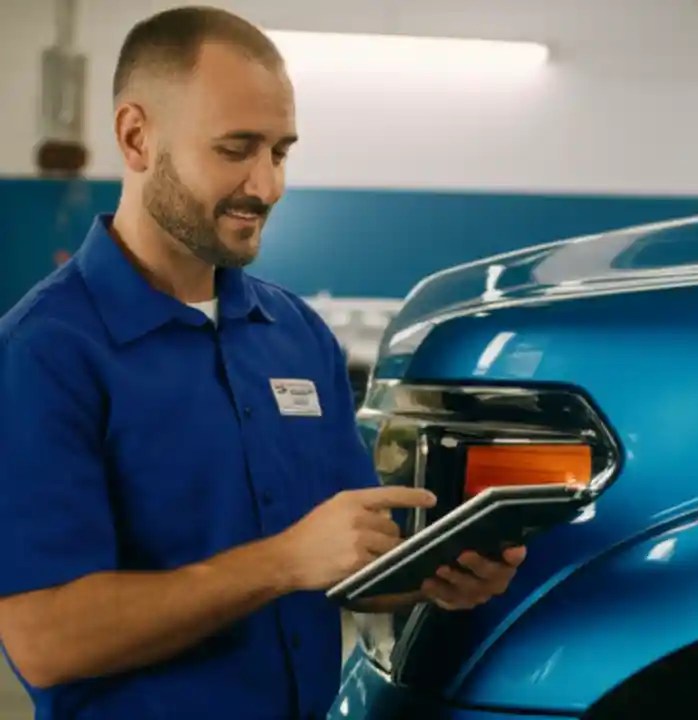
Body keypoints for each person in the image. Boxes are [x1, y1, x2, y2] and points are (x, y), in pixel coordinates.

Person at [0, 7, 526, 719]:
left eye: (280, 151)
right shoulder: (45, 353)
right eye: (235, 148)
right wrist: (282, 561)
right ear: (136, 137)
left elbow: (347, 563)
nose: (268, 185)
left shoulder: (296, 334)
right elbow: (45, 639)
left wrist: (434, 574)